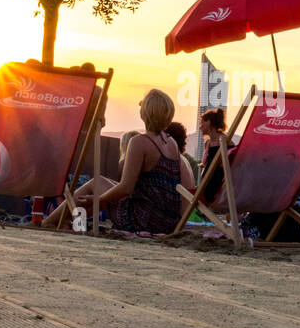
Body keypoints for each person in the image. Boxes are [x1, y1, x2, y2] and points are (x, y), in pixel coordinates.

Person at [44, 89, 195, 233]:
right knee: (101, 186)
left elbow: (126, 188)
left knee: (95, 183)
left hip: (142, 220)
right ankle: (63, 220)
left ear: (145, 113)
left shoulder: (139, 142)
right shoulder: (171, 143)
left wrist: (97, 199)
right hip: (168, 221)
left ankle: (49, 222)